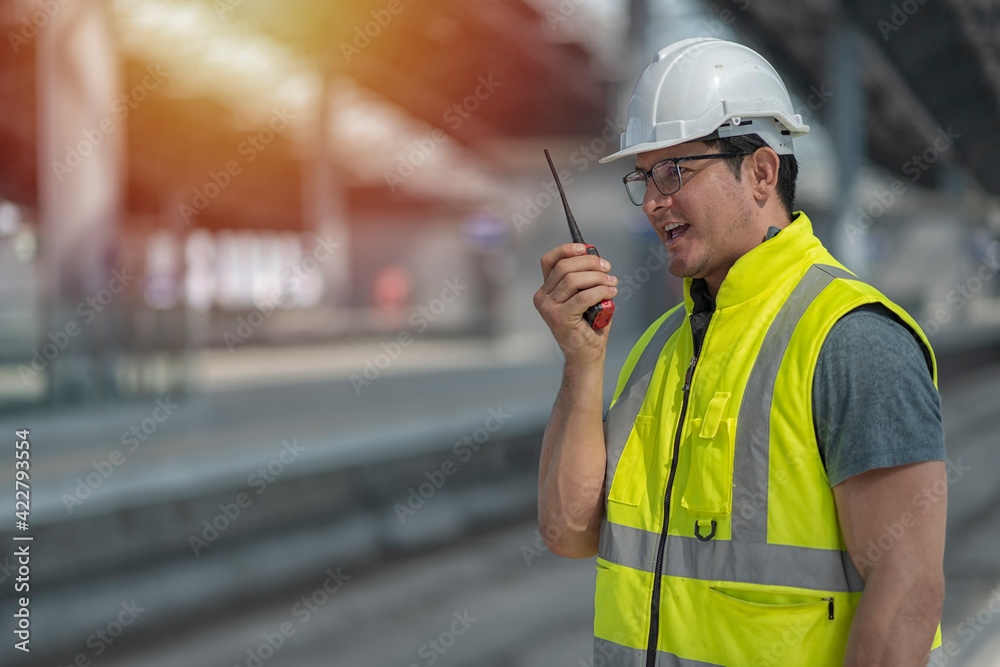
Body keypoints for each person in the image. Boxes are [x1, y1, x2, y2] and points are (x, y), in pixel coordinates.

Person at [533, 38, 946, 666]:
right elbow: (567, 531)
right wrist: (582, 361)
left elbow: (909, 589)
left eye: (675, 171)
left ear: (760, 173)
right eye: (644, 176)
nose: (651, 201)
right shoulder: (661, 349)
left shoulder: (852, 339)